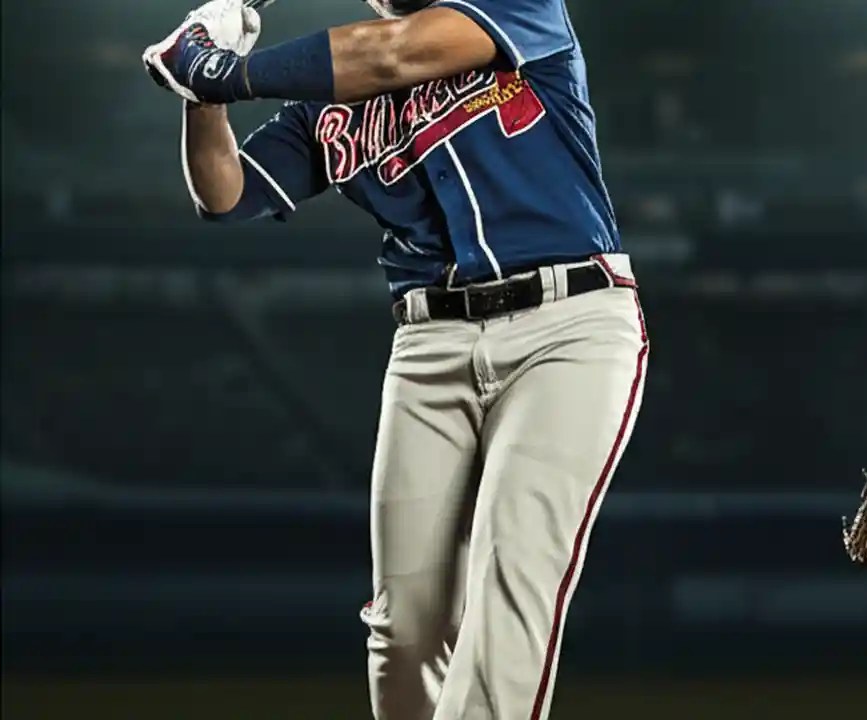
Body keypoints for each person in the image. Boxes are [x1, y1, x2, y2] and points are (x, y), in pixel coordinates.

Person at [142, 2, 649, 718]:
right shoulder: (331, 99)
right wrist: (201, 97)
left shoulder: (516, 5)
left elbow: (395, 53)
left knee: (512, 577)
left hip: (566, 329)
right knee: (403, 623)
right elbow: (227, 195)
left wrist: (220, 69)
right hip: (428, 343)